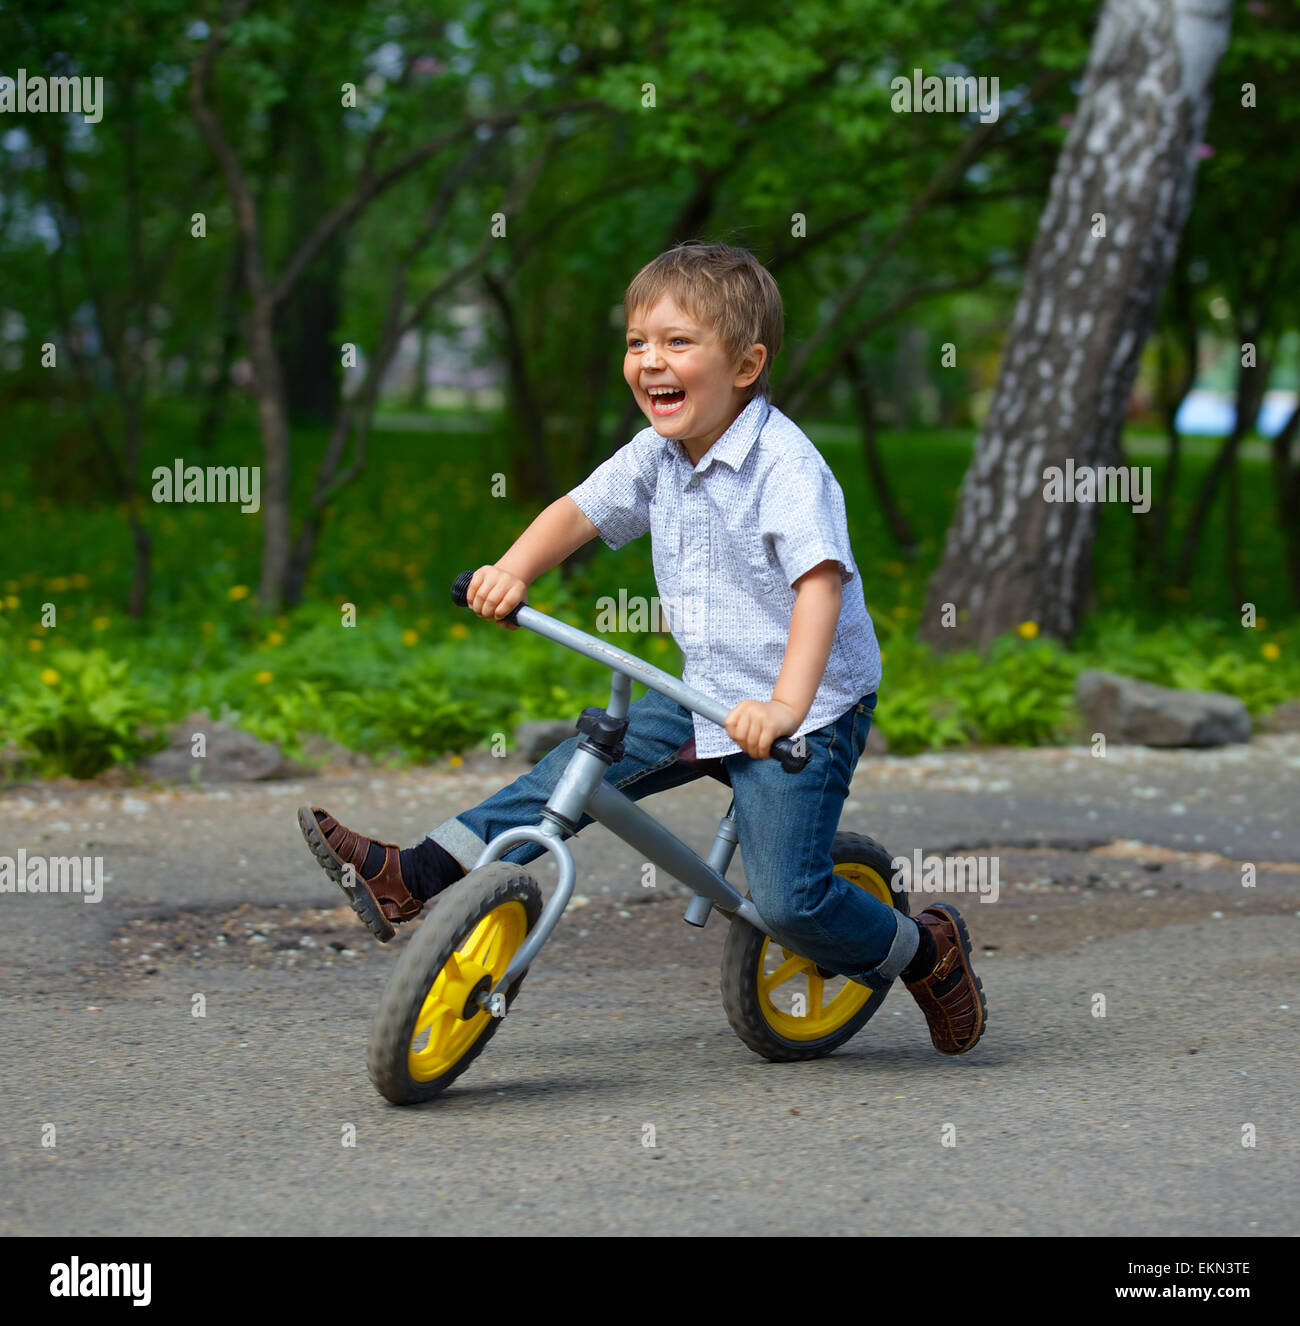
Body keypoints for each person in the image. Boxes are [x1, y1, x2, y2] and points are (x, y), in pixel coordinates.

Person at [299, 241, 985, 1054]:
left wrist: (784, 708)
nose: (650, 361)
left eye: (677, 342)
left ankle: (925, 950)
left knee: (790, 903)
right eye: (637, 342)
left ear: (745, 364)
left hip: (804, 714)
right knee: (572, 772)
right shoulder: (657, 454)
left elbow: (819, 589)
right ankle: (412, 877)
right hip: (705, 690)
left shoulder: (788, 469)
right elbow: (579, 511)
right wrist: (512, 570)